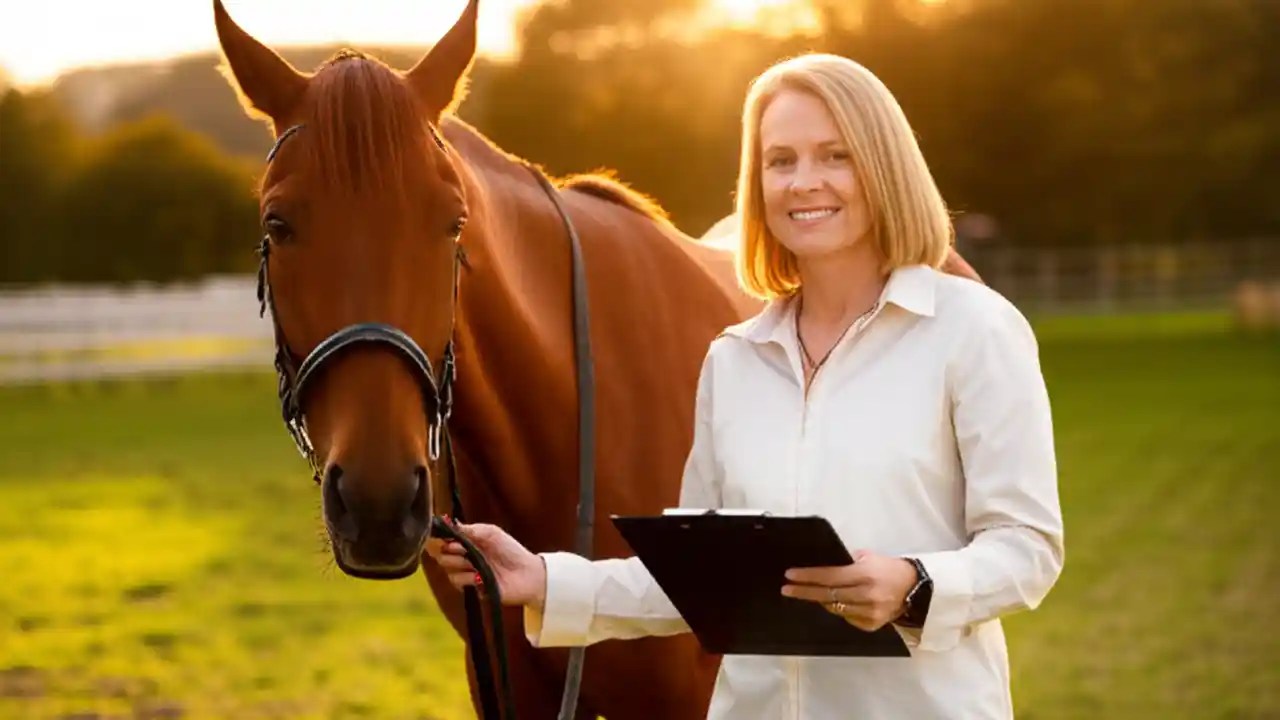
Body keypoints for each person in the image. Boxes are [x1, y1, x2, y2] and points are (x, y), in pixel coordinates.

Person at [425, 53, 1064, 718]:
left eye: (835, 156)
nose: (804, 183)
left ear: (885, 165)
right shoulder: (734, 359)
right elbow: (703, 581)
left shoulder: (974, 329)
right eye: (780, 161)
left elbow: (1027, 546)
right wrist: (542, 578)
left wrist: (917, 584)